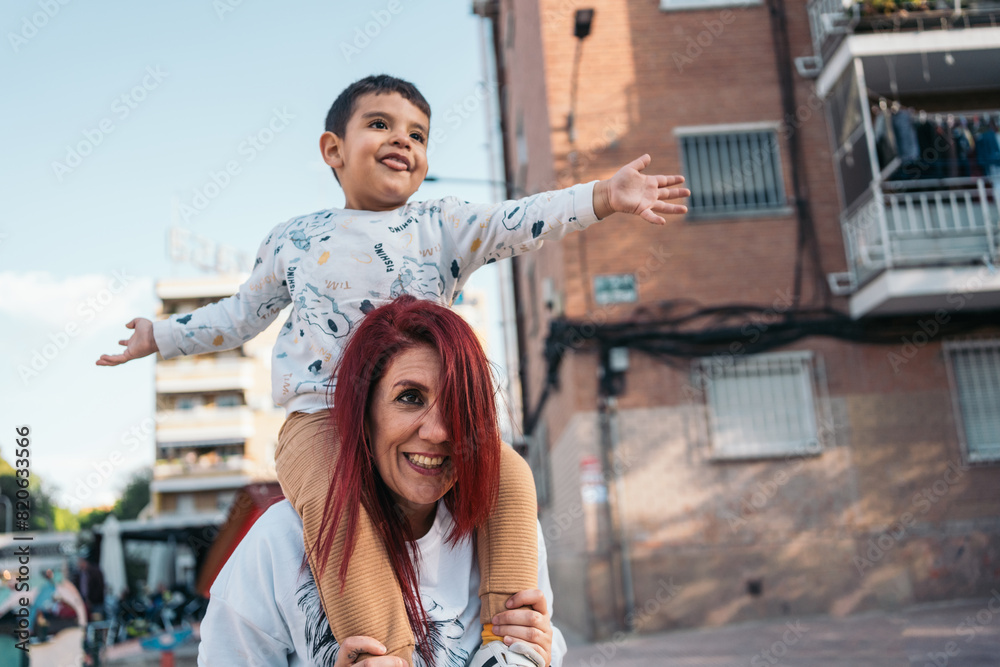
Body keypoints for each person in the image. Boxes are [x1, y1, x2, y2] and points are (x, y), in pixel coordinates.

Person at [98, 74, 689, 666]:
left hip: (426, 399)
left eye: (418, 134)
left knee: (510, 473)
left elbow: (521, 219)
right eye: (380, 124)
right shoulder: (296, 240)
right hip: (321, 418)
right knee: (340, 513)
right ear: (333, 149)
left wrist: (604, 198)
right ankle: (391, 653)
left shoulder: (442, 224)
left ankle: (505, 643)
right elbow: (241, 313)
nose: (401, 140)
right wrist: (163, 335)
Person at [198, 296, 564, 666]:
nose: (438, 431)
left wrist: (544, 647)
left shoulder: (505, 533)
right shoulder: (278, 546)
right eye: (410, 398)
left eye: (458, 404)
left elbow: (546, 643)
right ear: (364, 412)